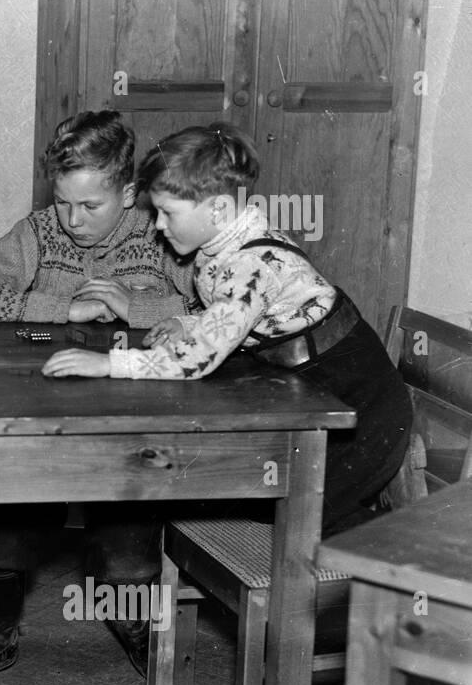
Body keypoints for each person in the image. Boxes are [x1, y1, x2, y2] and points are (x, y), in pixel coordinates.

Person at [0, 110, 197, 685]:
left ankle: (133, 622)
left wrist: (135, 308)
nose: (72, 221)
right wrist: (60, 308)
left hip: (129, 416)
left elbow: (210, 313)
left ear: (129, 192)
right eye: (64, 203)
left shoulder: (163, 230)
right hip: (42, 413)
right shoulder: (40, 231)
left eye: (90, 207)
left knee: (130, 521)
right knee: (7, 512)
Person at [43, 121, 412, 539]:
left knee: (300, 521)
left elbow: (200, 356)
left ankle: (410, 555)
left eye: (167, 213)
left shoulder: (249, 263)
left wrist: (110, 363)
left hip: (360, 404)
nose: (159, 225)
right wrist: (187, 321)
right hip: (312, 382)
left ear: (217, 209)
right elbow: (238, 314)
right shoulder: (224, 243)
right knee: (257, 503)